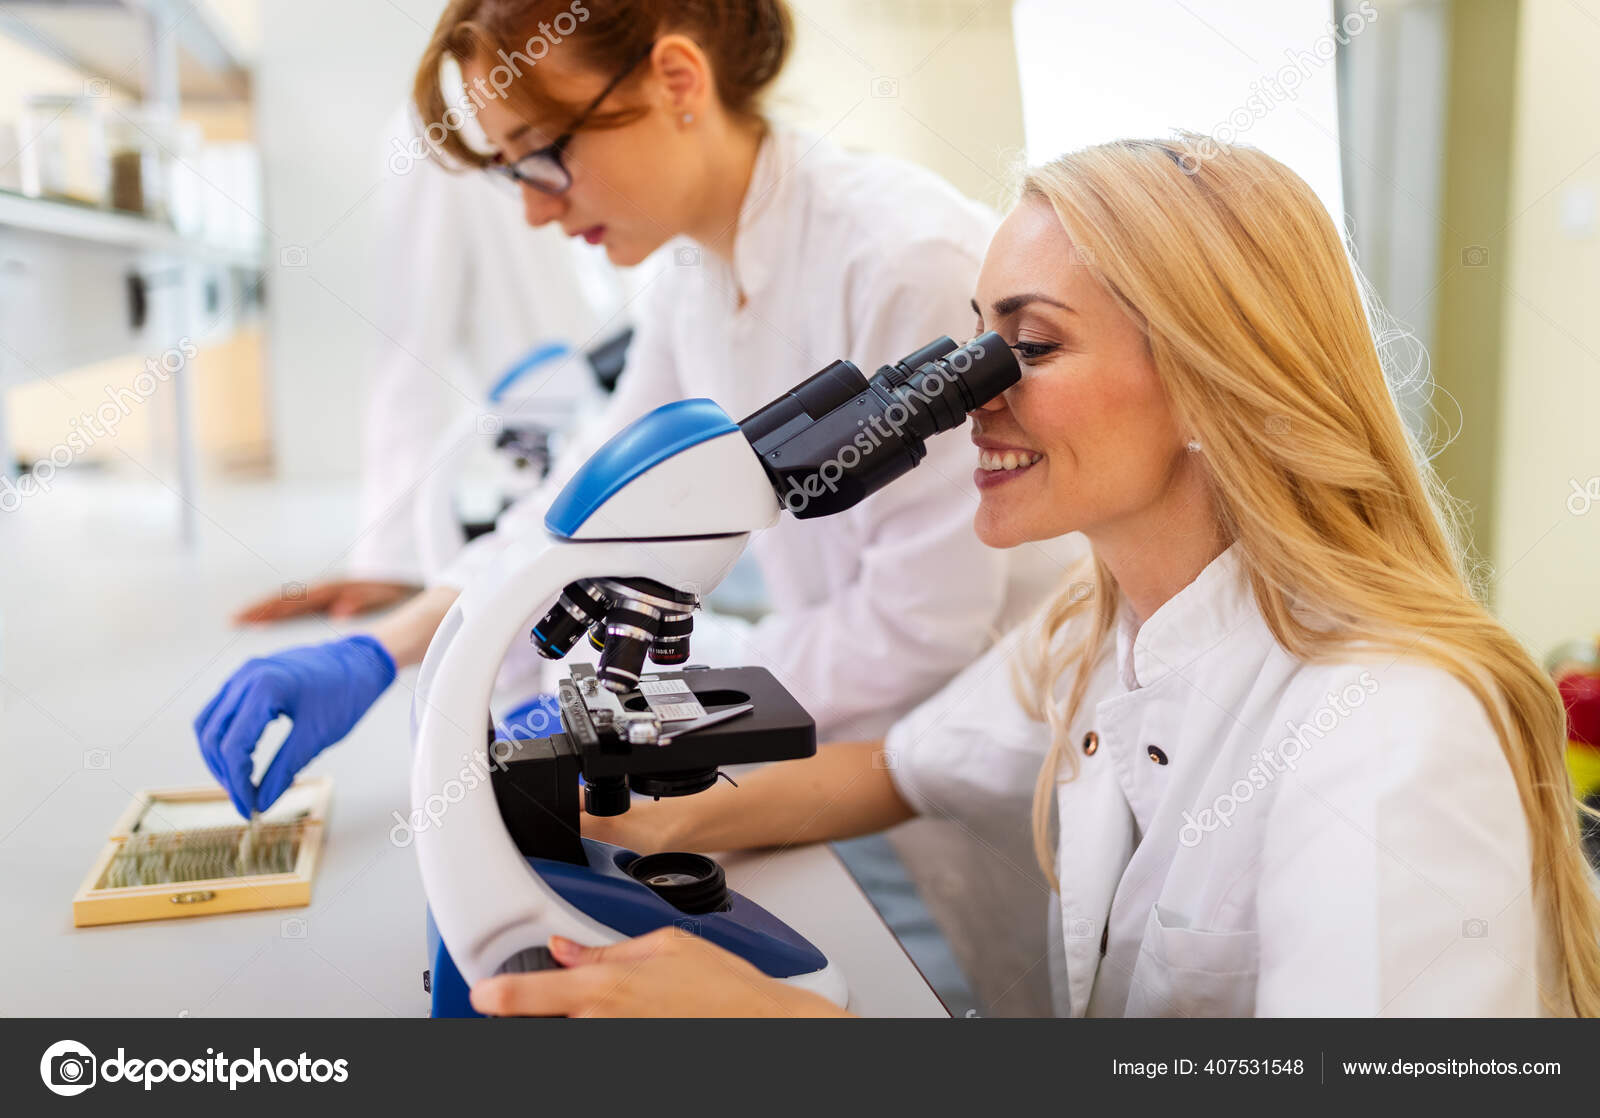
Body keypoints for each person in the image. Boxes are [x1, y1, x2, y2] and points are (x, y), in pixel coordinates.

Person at [467, 138, 1600, 1018]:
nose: (972, 400)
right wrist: (529, 808)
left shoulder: (1384, 733)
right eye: (970, 345)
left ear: (1212, 383)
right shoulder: (1098, 629)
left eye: (1032, 346)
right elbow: (883, 770)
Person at [194, 1, 1061, 850]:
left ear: (679, 80)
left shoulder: (902, 263)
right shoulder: (693, 272)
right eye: (512, 171)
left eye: (541, 156)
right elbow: (584, 509)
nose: (535, 209)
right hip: (865, 760)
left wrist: (657, 703)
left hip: (1001, 769)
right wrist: (381, 651)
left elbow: (919, 628)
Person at [231, 107, 625, 624]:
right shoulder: (438, 130)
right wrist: (390, 556)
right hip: (575, 480)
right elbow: (411, 349)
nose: (536, 206)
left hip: (622, 464)